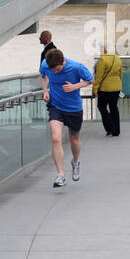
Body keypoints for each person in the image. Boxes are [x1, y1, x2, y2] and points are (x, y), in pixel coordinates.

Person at [40, 47, 93, 188]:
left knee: (73, 138)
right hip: (55, 106)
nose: (55, 72)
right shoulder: (47, 64)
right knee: (56, 138)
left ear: (63, 62)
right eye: (53, 70)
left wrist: (75, 86)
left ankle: (75, 162)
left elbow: (90, 80)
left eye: (57, 69)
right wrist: (45, 91)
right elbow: (43, 75)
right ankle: (60, 175)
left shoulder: (76, 67)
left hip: (74, 108)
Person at [93, 45, 123, 137]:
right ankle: (116, 130)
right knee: (114, 107)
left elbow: (99, 76)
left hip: (105, 88)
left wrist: (95, 88)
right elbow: (120, 74)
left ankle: (110, 127)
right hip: (116, 87)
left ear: (104, 50)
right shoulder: (117, 58)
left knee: (101, 106)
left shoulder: (102, 60)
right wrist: (119, 85)